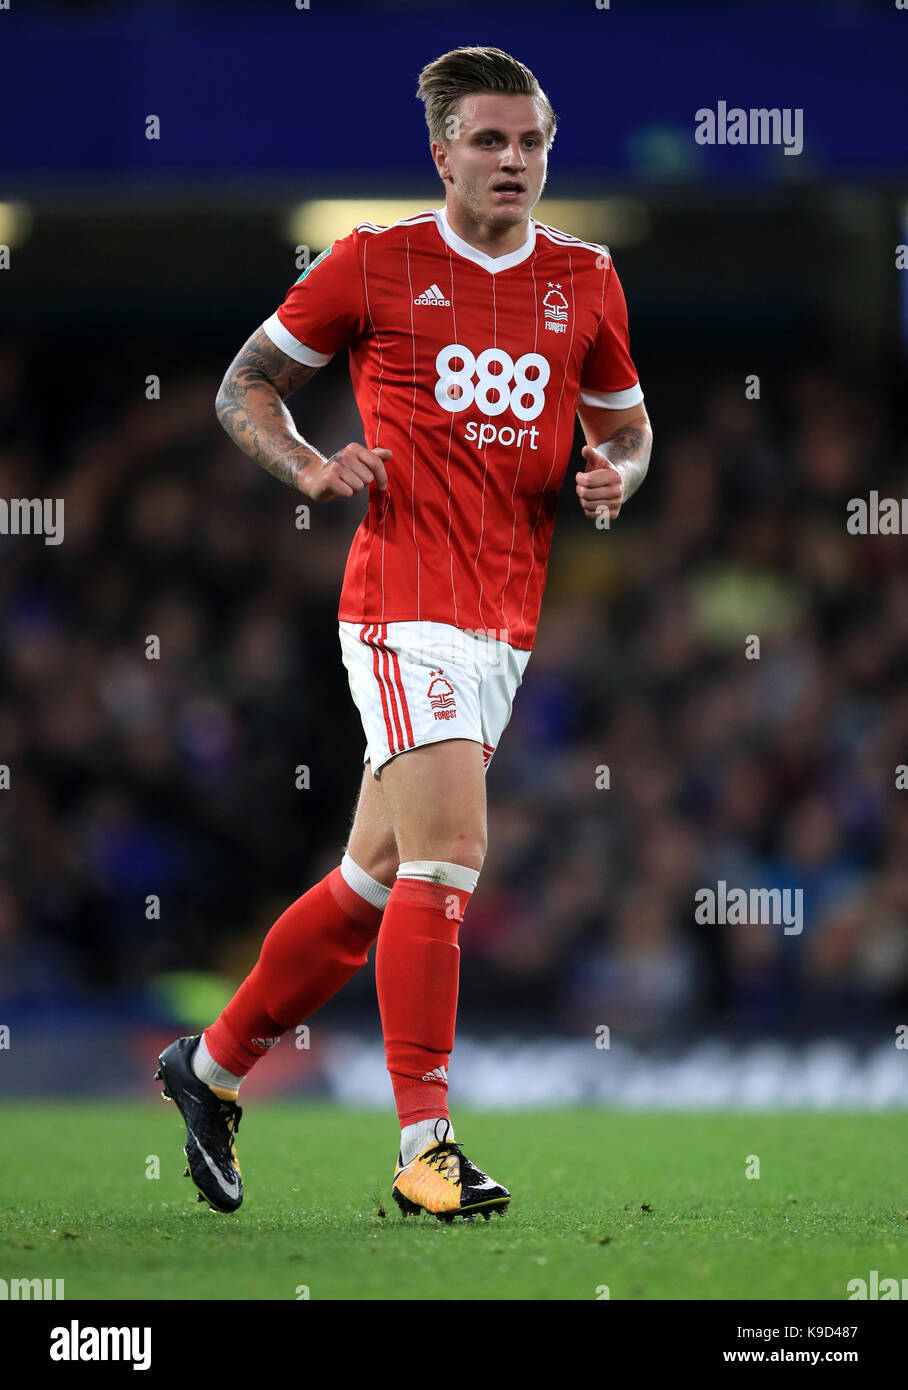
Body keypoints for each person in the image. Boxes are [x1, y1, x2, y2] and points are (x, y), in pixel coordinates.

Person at [155, 44, 651, 1223]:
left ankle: (210, 1068)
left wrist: (612, 478)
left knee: (374, 879)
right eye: (488, 140)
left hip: (504, 626)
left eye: (530, 141)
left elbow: (627, 430)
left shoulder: (583, 278)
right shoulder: (372, 264)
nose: (513, 160)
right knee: (449, 858)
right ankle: (424, 1146)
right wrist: (310, 465)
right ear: (440, 153)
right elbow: (243, 387)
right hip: (399, 608)